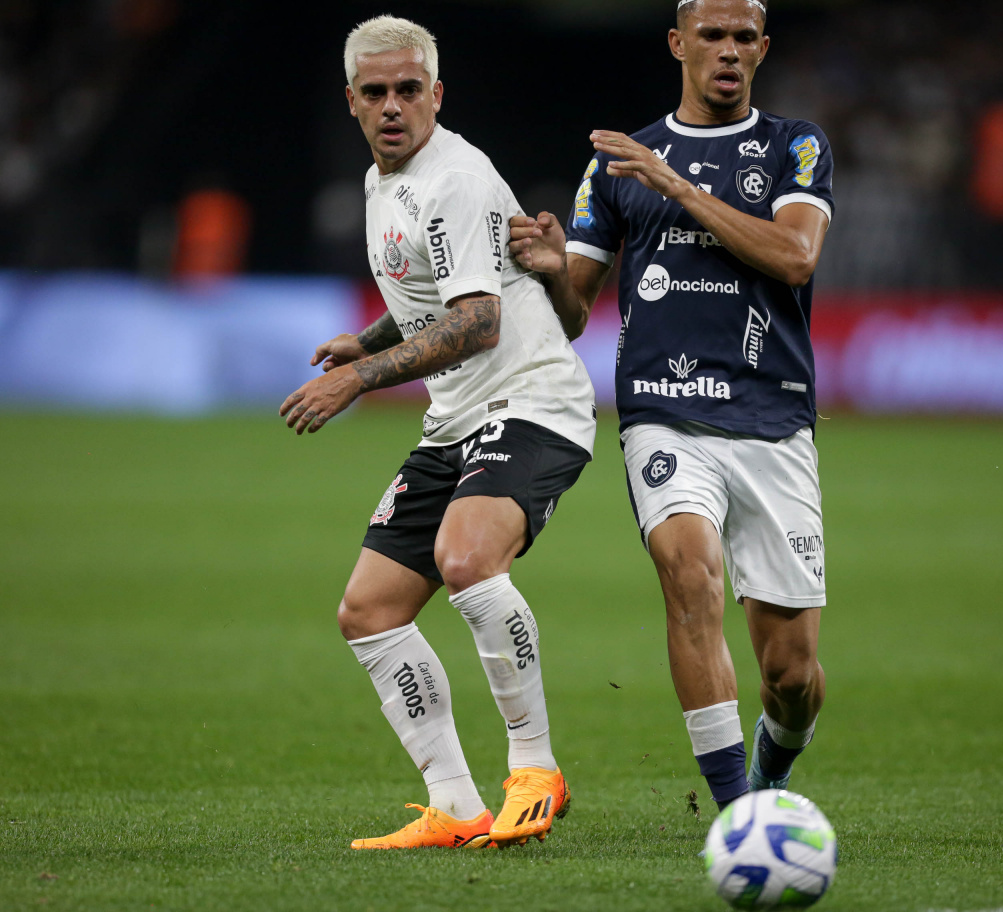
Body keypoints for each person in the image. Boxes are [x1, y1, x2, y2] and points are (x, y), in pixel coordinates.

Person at [279, 15, 595, 849]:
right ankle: (454, 806)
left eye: (408, 90)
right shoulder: (384, 180)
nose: (392, 106)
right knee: (369, 610)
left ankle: (535, 767)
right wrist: (371, 339)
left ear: (436, 94)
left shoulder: (453, 175)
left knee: (466, 559)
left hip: (531, 399)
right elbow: (434, 292)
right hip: (457, 416)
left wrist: (357, 377)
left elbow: (482, 320)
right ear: (351, 101)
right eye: (375, 92)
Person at [510, 0, 832, 810]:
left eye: (743, 38)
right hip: (663, 411)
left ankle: (772, 769)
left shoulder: (795, 145)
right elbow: (574, 312)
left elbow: (793, 258)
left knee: (791, 677)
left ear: (763, 48)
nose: (728, 52)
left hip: (773, 417)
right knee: (690, 578)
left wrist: (679, 188)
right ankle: (737, 814)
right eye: (712, 36)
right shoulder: (620, 163)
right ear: (677, 43)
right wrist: (552, 270)